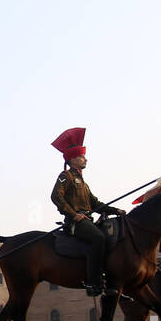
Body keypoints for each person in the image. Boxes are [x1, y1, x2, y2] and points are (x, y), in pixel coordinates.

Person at [49, 127, 124, 297]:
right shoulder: (65, 176)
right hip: (76, 221)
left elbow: (95, 203)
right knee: (98, 238)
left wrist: (115, 210)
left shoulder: (83, 182)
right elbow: (56, 196)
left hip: (87, 219)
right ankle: (93, 281)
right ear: (73, 159)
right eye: (82, 157)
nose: (85, 159)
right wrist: (73, 214)